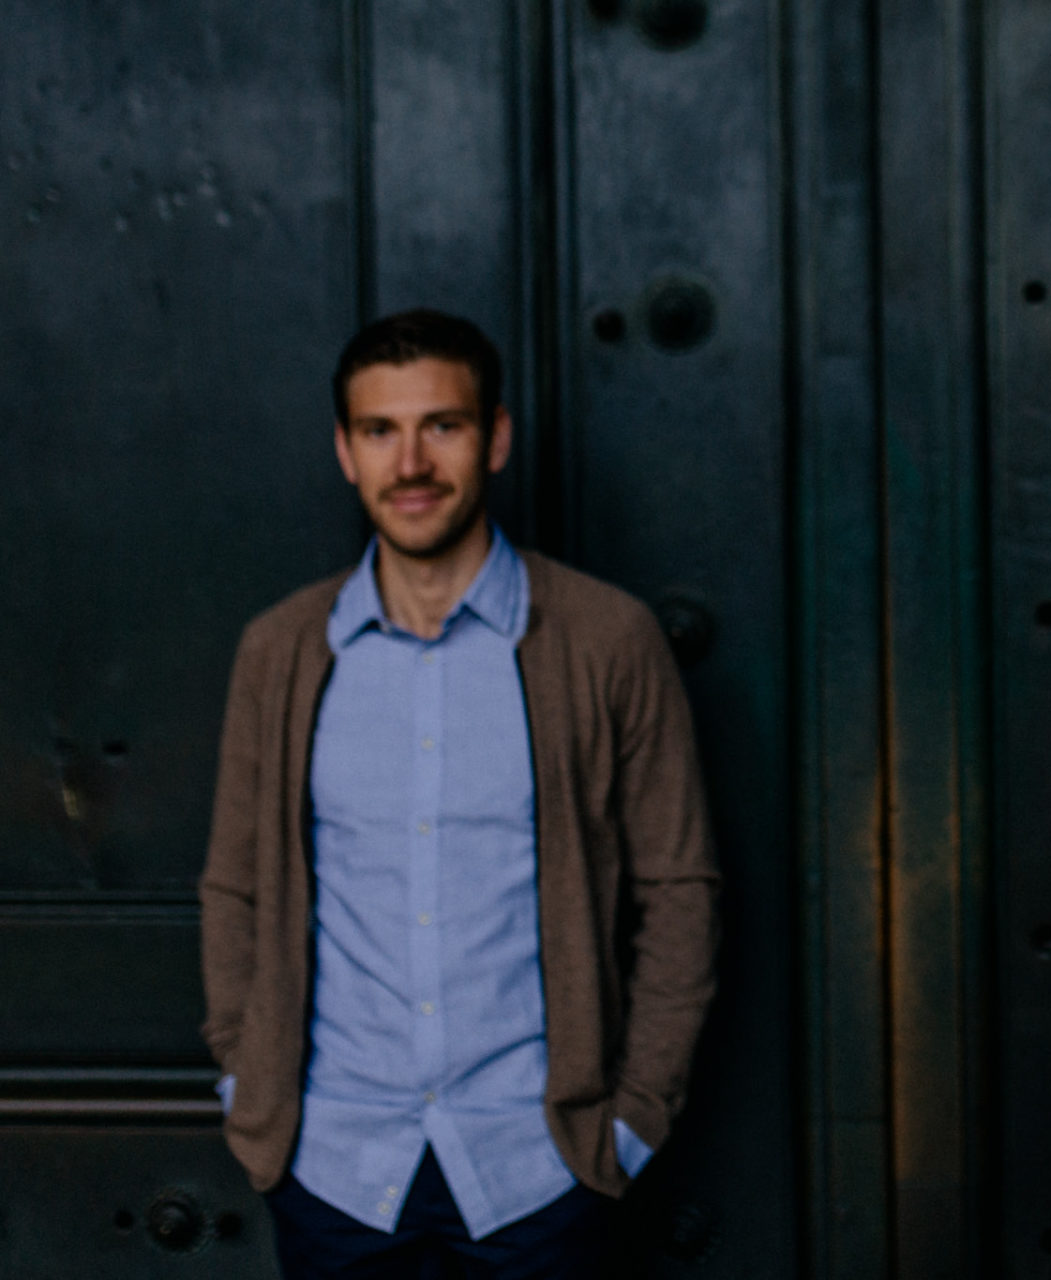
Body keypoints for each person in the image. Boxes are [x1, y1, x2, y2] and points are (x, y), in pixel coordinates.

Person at [198, 308, 721, 1278]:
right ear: (346, 453)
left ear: (498, 438)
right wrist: (247, 1080)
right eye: (380, 431)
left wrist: (635, 1116)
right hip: (337, 1173)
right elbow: (235, 885)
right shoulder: (280, 650)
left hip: (539, 1173)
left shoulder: (608, 641)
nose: (412, 462)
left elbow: (679, 887)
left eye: (443, 424)